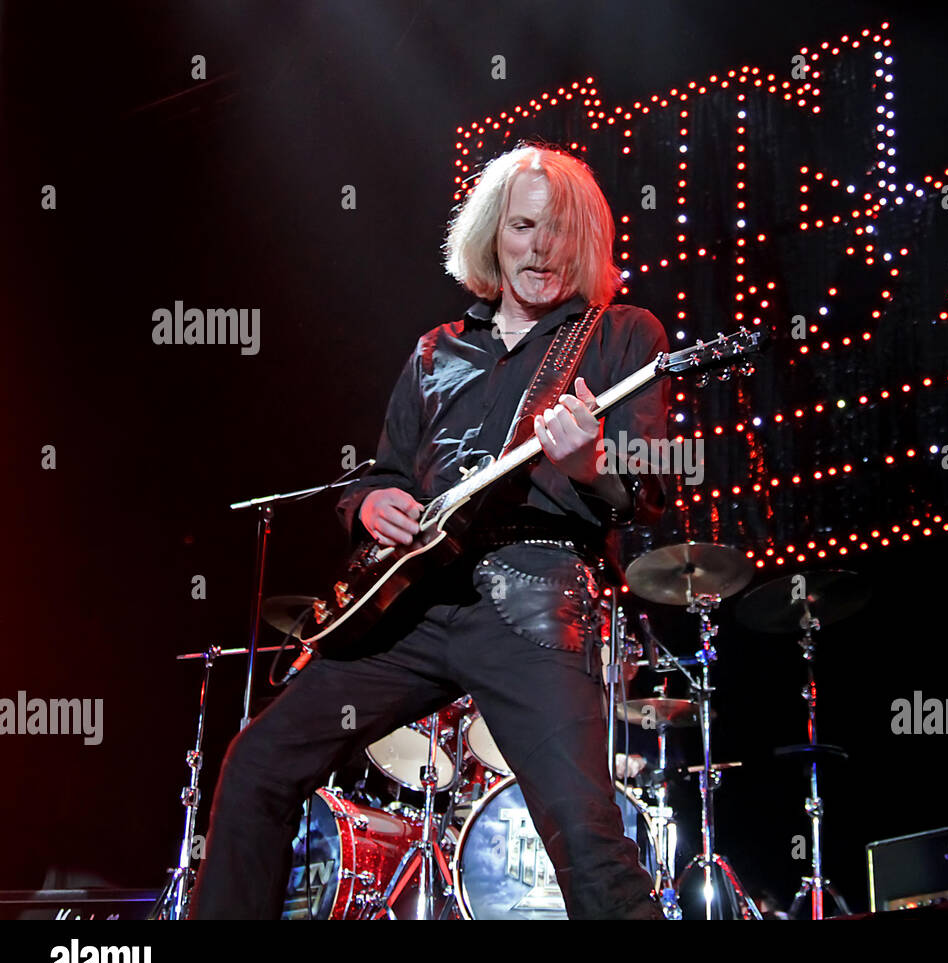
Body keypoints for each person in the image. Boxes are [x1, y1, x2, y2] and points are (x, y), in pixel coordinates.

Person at [190, 143, 670, 919]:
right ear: (493, 234)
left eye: (557, 231)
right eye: (521, 227)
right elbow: (383, 473)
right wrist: (372, 504)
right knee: (257, 766)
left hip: (532, 596)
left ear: (582, 242)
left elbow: (652, 486)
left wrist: (589, 461)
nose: (539, 248)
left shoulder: (622, 334)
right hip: (411, 602)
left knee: (587, 840)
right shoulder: (435, 351)